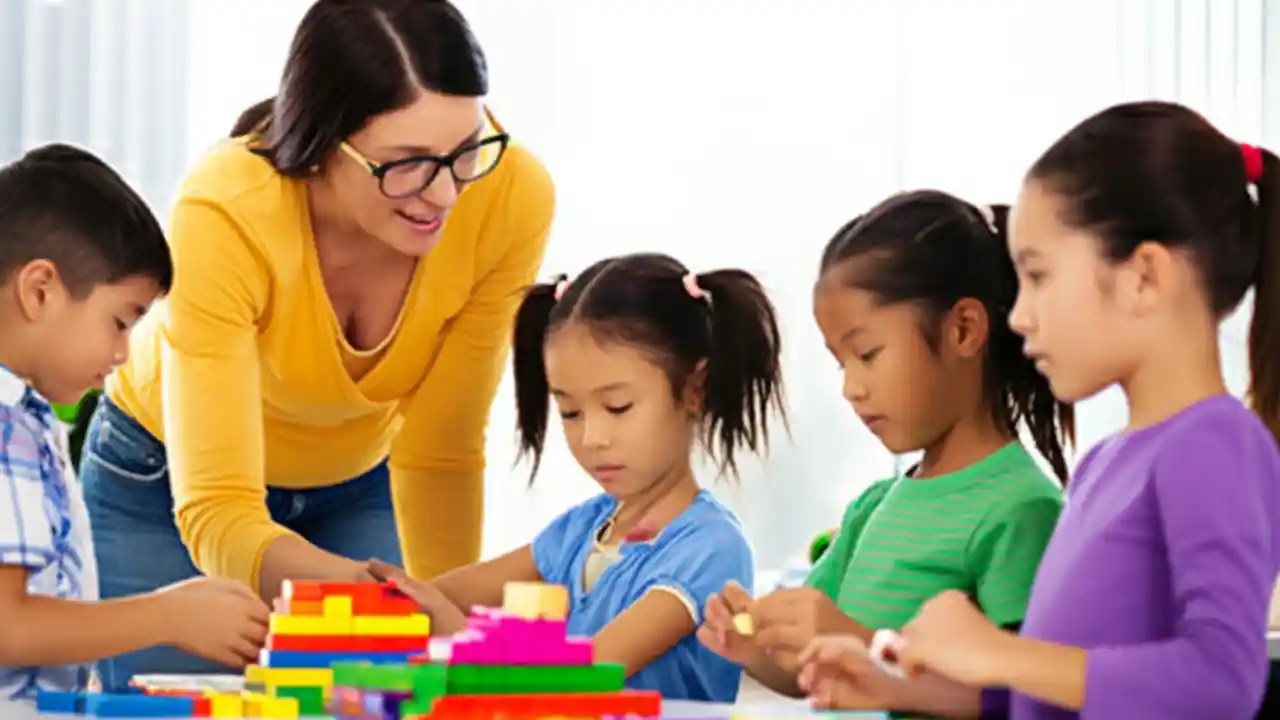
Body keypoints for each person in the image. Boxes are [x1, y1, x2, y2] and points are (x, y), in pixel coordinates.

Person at [78, 0, 555, 689]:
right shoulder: (225, 209)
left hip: (357, 480)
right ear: (329, 141)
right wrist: (390, 595)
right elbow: (218, 505)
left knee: (392, 696)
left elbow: (441, 450)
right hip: (161, 480)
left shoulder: (510, 196)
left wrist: (442, 622)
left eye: (464, 149)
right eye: (409, 163)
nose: (447, 192)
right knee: (185, 703)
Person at [802, 101, 1280, 720]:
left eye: (1039, 276)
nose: (1020, 315)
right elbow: (1051, 693)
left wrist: (997, 652)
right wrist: (900, 686)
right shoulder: (1104, 465)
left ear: (1143, 276)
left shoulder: (1214, 443)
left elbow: (1223, 683)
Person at [698, 191, 1072, 700]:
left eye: (868, 354)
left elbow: (1023, 700)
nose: (851, 387)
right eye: (841, 363)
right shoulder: (874, 507)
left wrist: (853, 639)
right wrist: (756, 648)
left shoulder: (1021, 511)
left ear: (964, 330)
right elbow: (813, 665)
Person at [374, 253, 784, 702]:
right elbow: (434, 597)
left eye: (618, 407)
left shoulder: (708, 548)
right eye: (570, 412)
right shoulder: (580, 533)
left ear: (694, 390)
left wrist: (454, 632)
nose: (591, 438)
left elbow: (583, 677)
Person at [0, 145, 269, 701]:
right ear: (40, 291)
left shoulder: (30, 420)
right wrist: (167, 616)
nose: (123, 353)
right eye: (121, 322)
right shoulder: (8, 430)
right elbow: (8, 628)